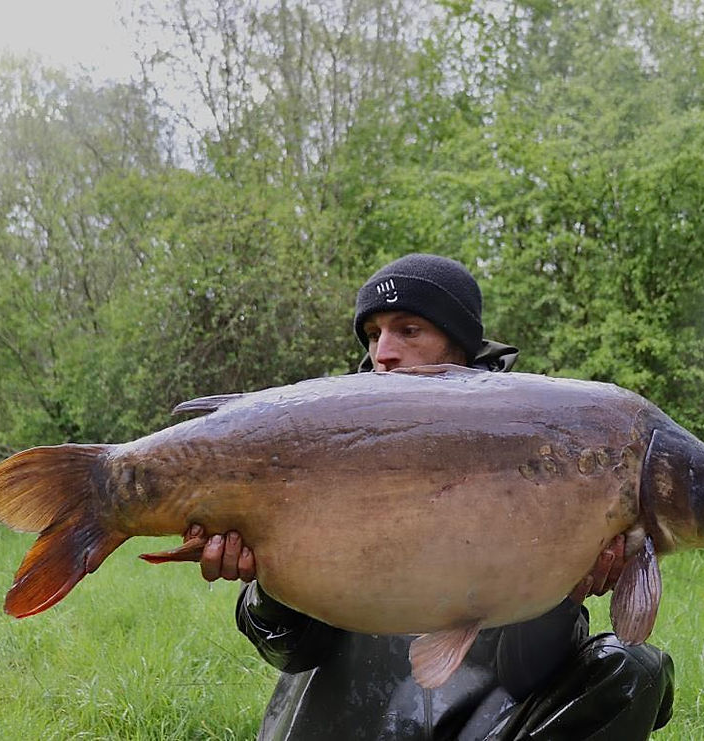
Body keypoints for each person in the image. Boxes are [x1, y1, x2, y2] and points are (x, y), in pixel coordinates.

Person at [187, 254, 675, 740]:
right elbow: (291, 654)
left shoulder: (533, 444)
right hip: (340, 723)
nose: (384, 352)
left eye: (409, 330)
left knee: (636, 669)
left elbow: (526, 675)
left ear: (460, 346)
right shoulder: (322, 443)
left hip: (470, 725)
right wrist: (268, 591)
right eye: (374, 334)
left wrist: (564, 595)